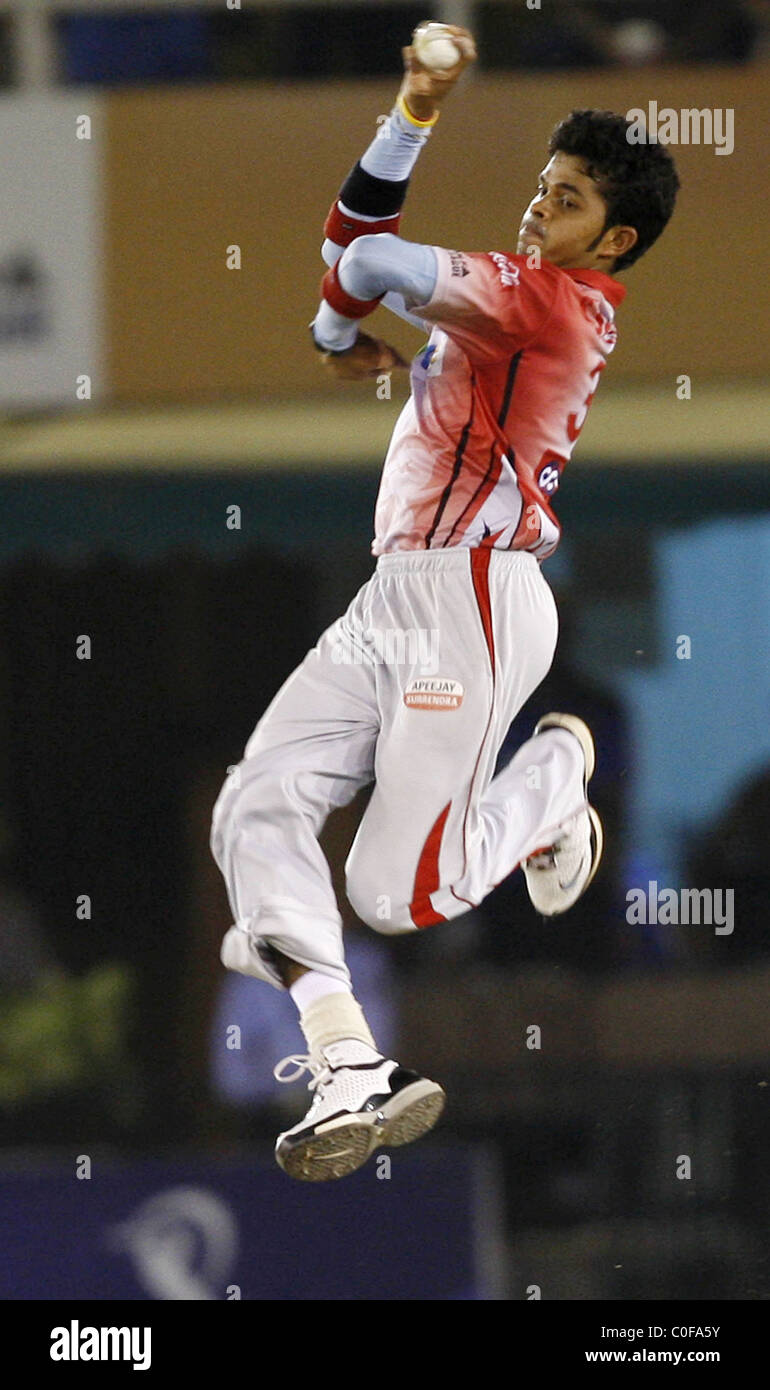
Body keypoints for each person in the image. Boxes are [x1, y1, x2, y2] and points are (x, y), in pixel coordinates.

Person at [210, 22, 679, 1182]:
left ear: (610, 240)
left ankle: (554, 773)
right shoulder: (515, 293)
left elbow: (363, 258)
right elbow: (354, 250)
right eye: (540, 186)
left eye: (565, 201)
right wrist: (412, 108)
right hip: (400, 591)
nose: (537, 208)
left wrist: (339, 321)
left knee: (393, 890)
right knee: (253, 806)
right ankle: (347, 1067)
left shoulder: (549, 301)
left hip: (470, 597)